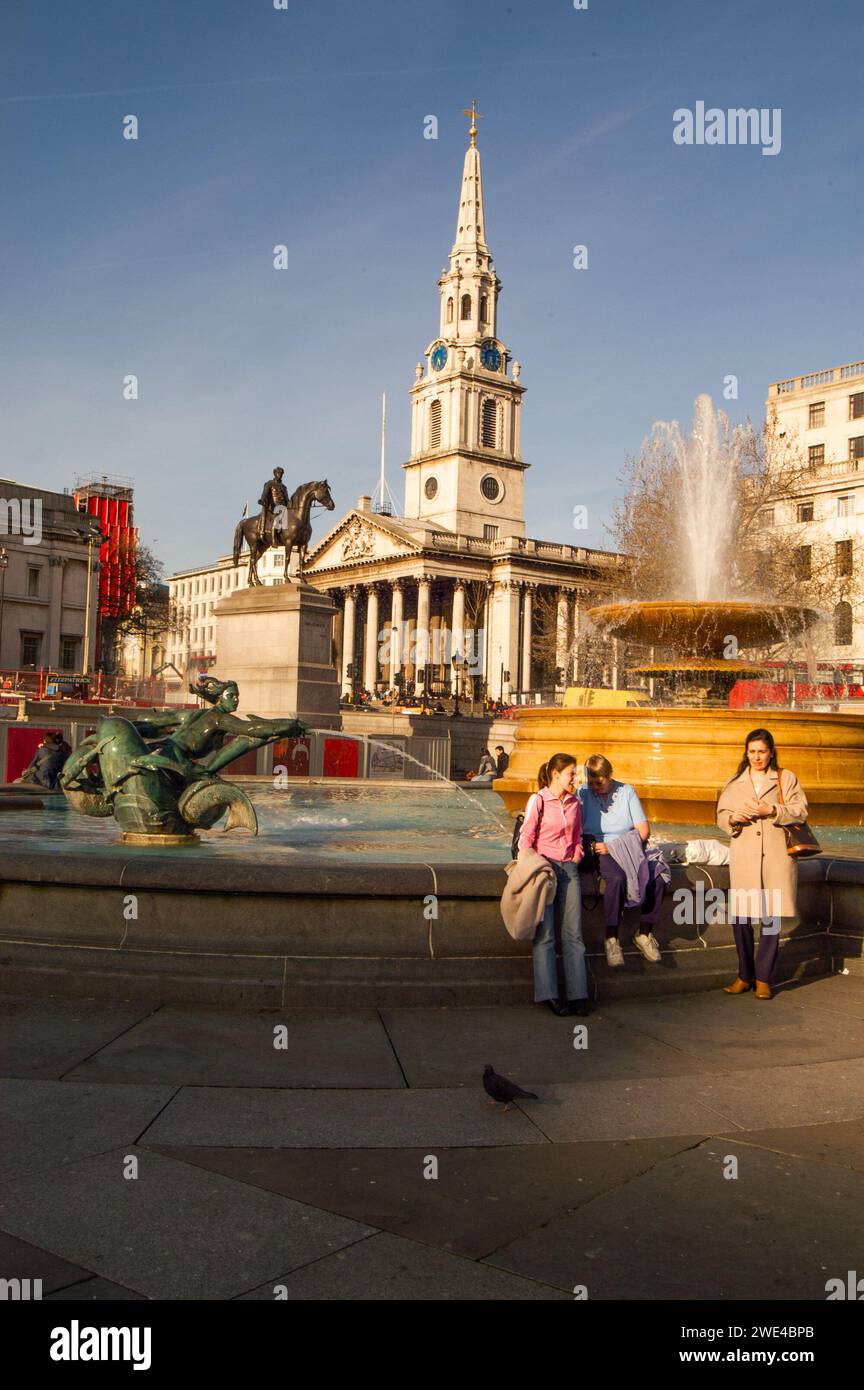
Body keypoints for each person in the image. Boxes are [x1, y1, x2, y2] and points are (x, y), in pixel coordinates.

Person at [716, 728, 809, 1001]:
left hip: (777, 855)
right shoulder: (735, 782)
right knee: (741, 918)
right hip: (745, 854)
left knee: (771, 918)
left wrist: (773, 811)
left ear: (771, 753)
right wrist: (735, 818)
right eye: (752, 751)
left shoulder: (786, 778)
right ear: (746, 753)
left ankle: (764, 978)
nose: (757, 757)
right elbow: (721, 815)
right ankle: (744, 975)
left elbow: (801, 810)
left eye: (762, 752)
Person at [578, 754, 665, 968]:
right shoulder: (583, 793)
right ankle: (611, 937)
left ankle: (644, 933)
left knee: (659, 874)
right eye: (591, 782)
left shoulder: (626, 791)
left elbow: (643, 831)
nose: (595, 787)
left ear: (609, 776)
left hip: (627, 846)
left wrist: (616, 846)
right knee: (616, 878)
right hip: (599, 849)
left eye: (599, 782)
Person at [518, 753, 588, 1017]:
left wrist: (578, 852)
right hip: (545, 870)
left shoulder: (574, 802)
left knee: (574, 933)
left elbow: (578, 833)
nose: (575, 778)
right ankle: (550, 995)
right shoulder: (539, 800)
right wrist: (532, 867)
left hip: (569, 869)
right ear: (556, 774)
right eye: (571, 773)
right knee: (545, 934)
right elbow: (526, 838)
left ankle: (578, 994)